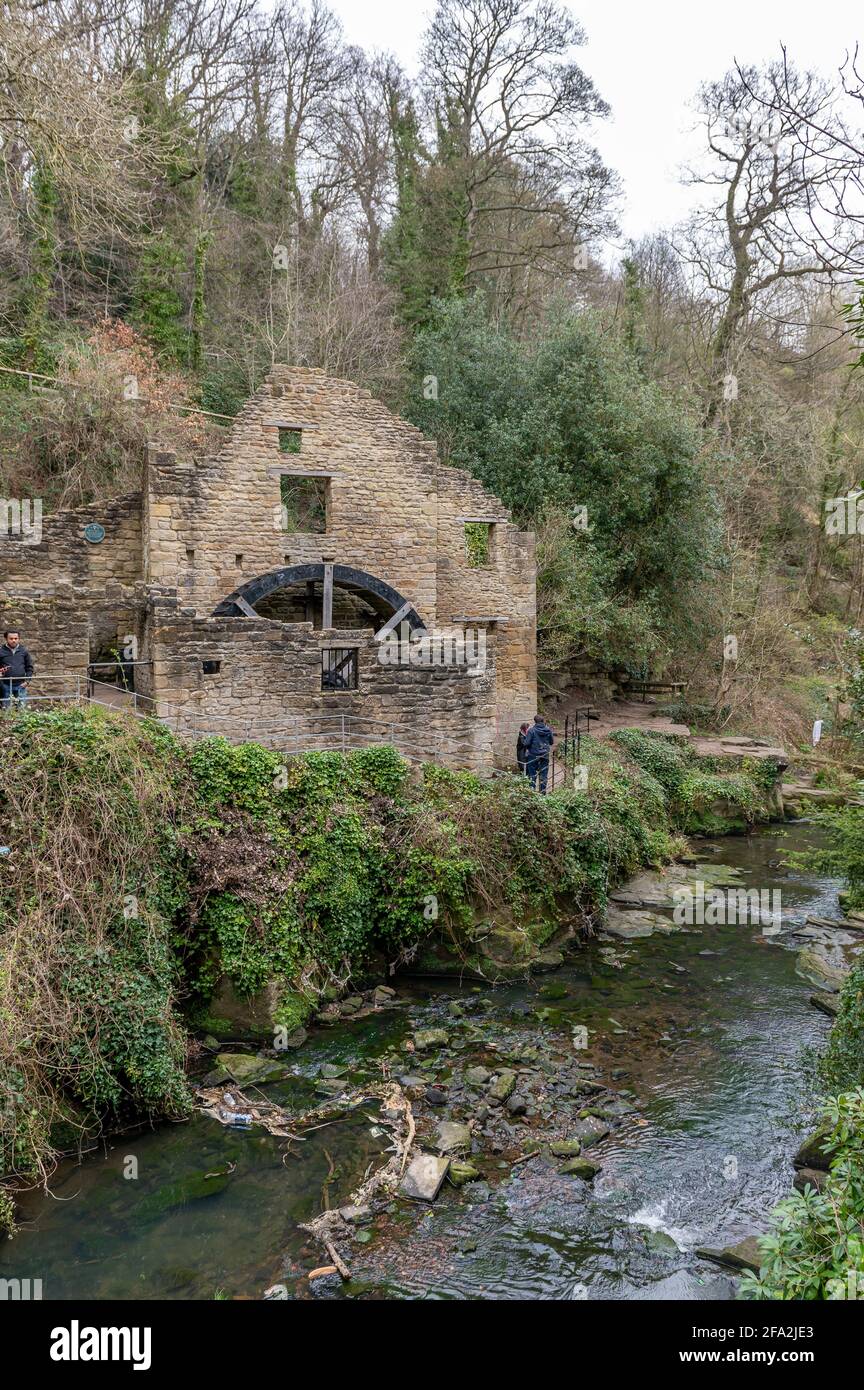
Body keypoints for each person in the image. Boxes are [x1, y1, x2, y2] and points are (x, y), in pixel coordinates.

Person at [0, 630, 34, 711]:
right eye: (11, 638)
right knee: (6, 710)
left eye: (16, 638)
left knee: (21, 709)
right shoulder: (1, 651)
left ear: (19, 638)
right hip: (5, 685)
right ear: (6, 639)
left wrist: (27, 681)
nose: (14, 640)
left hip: (21, 685)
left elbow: (29, 667)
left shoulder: (23, 651)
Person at [524, 713, 554, 793]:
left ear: (535, 721)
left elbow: (526, 743)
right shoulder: (548, 730)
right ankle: (542, 792)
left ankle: (532, 792)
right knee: (543, 773)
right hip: (545, 754)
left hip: (533, 755)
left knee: (532, 774)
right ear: (542, 721)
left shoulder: (531, 730)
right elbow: (551, 742)